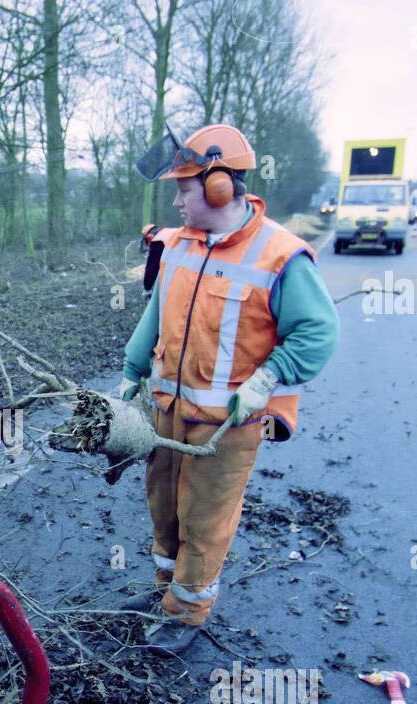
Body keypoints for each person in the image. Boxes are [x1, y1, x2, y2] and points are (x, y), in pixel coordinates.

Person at [121, 123, 338, 657]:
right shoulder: (176, 246)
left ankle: (188, 611)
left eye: (184, 189)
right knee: (164, 506)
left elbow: (318, 331)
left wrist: (268, 378)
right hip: (168, 409)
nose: (176, 201)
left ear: (219, 185)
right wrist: (131, 372)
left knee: (206, 517)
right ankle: (165, 592)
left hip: (228, 425)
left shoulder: (280, 255)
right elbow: (157, 310)